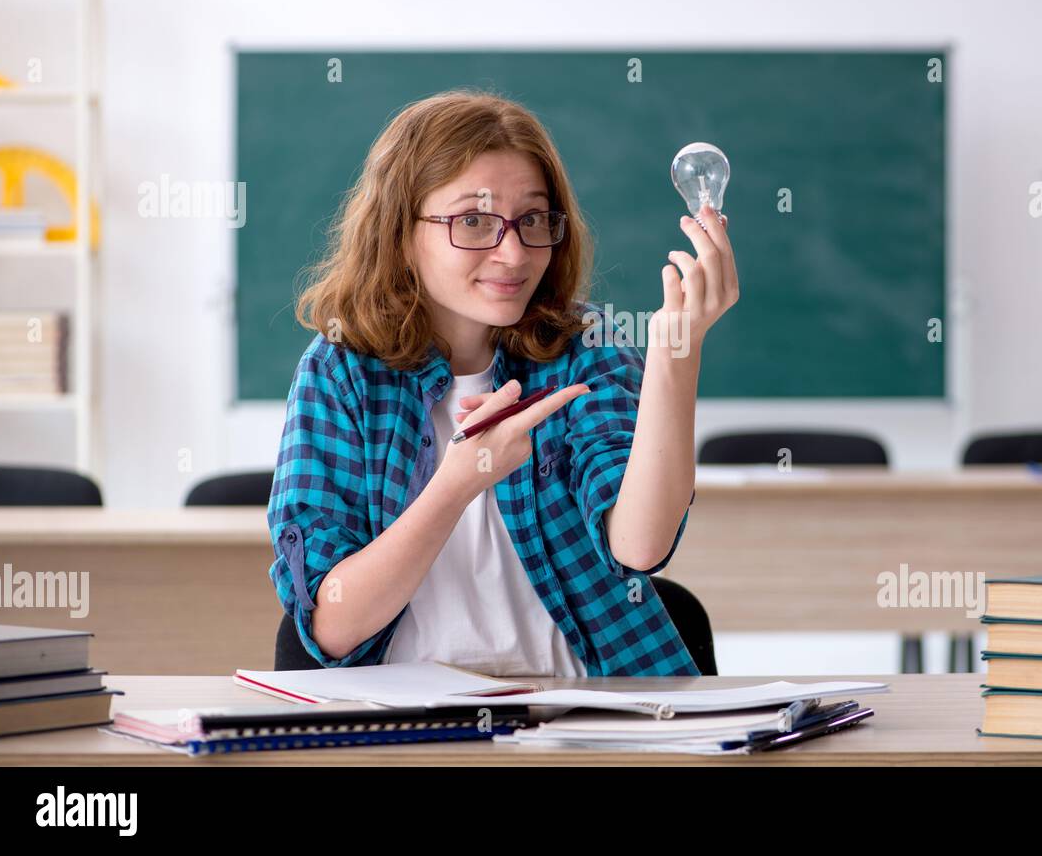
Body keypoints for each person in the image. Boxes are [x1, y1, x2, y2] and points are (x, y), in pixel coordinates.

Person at [267, 89, 739, 677]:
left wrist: (678, 351)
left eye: (533, 220)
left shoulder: (588, 346)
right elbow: (331, 628)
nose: (514, 252)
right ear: (401, 230)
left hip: (589, 723)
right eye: (473, 220)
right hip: (407, 734)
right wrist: (461, 480)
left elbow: (640, 547)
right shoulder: (340, 372)